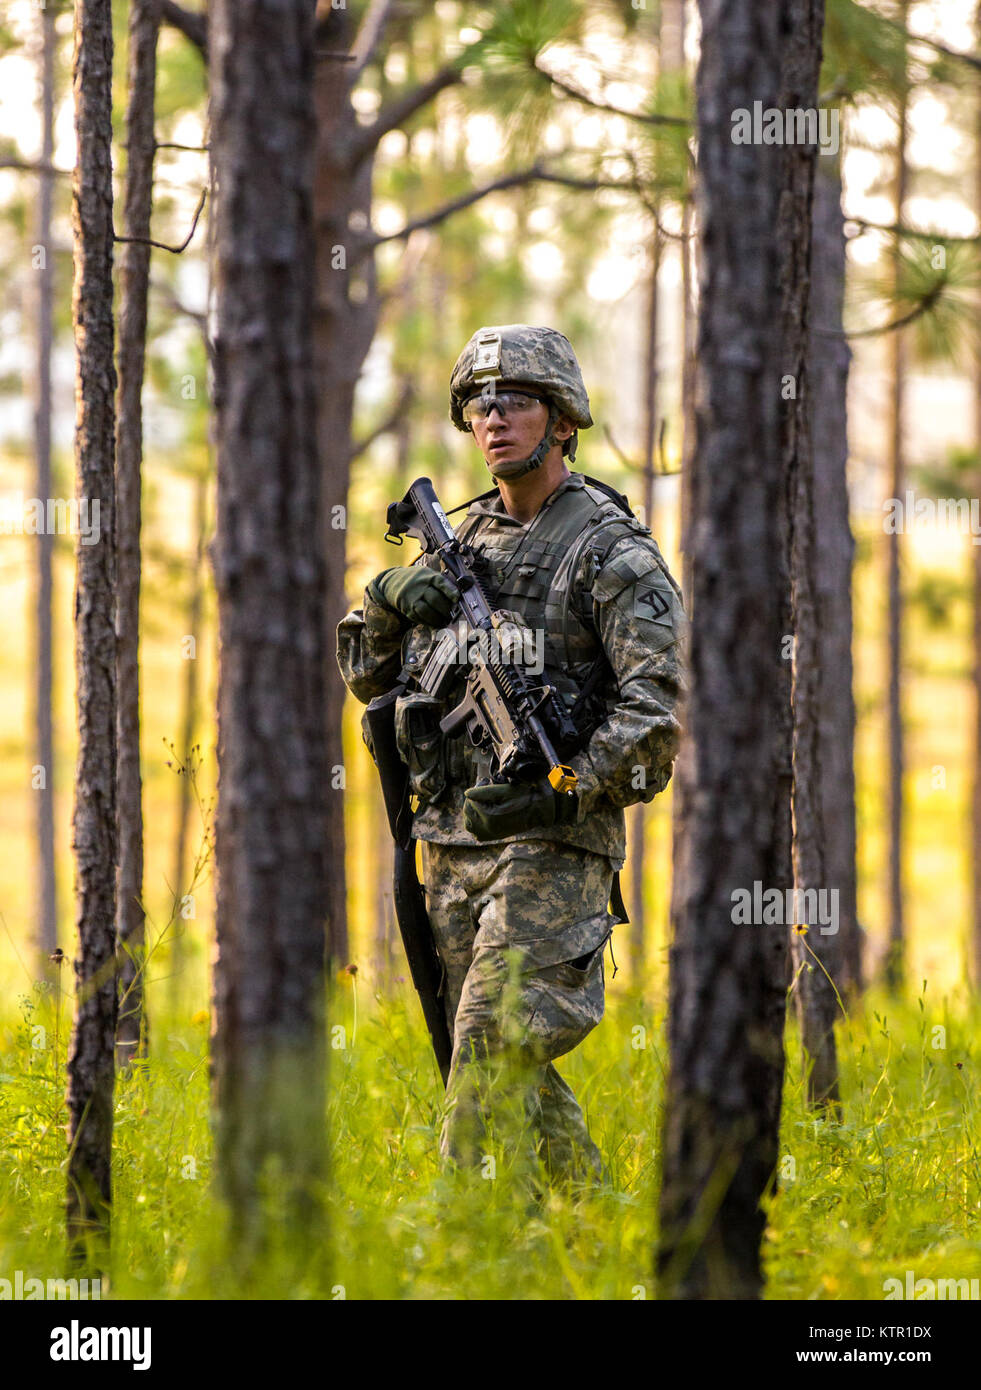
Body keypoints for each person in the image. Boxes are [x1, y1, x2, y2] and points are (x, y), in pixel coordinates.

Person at [336, 324, 685, 1185]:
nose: (495, 419)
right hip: (454, 842)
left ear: (561, 419)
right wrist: (385, 601)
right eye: (481, 404)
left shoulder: (611, 552)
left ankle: (451, 1246)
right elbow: (363, 674)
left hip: (555, 848)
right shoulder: (458, 543)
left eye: (517, 402)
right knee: (495, 1065)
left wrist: (565, 791)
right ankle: (585, 1227)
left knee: (489, 1049)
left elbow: (657, 711)